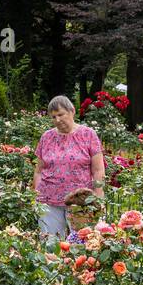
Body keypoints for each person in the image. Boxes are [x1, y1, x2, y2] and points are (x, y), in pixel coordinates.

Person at [33, 95, 105, 242]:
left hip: (80, 201)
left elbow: (98, 170)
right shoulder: (47, 137)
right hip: (48, 200)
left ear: (72, 111)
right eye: (53, 117)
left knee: (82, 243)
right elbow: (39, 170)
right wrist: (36, 196)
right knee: (50, 244)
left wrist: (97, 198)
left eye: (60, 114)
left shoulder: (88, 134)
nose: (57, 120)